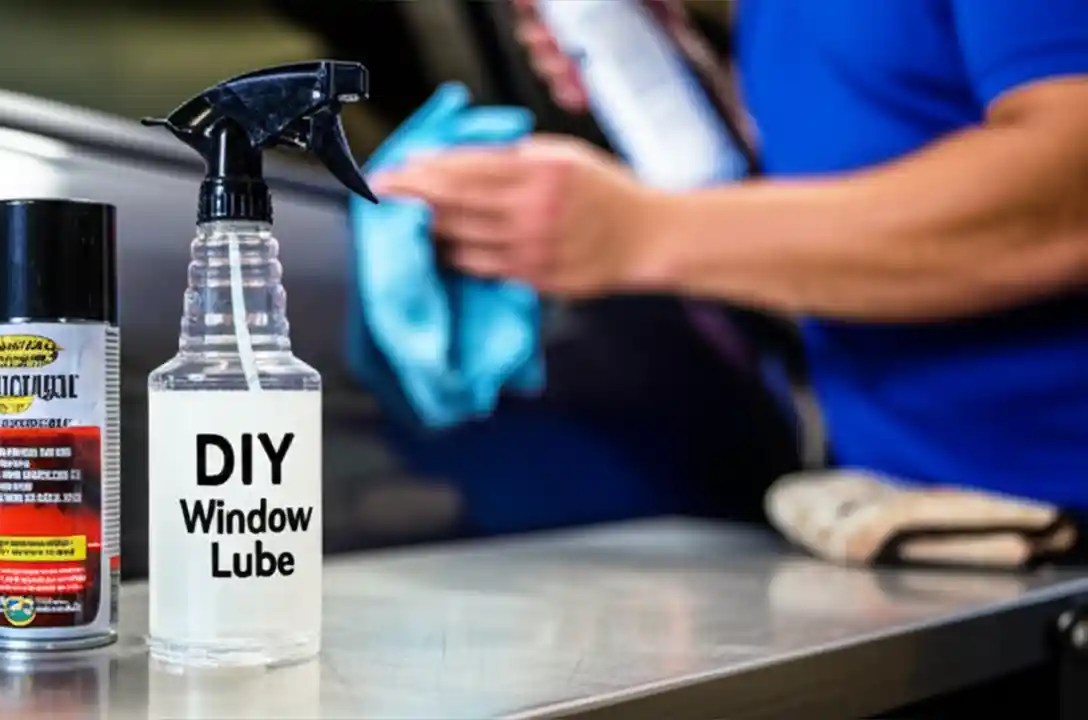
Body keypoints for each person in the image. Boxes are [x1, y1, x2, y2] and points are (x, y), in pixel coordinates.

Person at [371, 0, 1088, 515]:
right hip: (918, 529)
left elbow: (1069, 186)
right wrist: (687, 82)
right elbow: (866, 188)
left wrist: (649, 232)